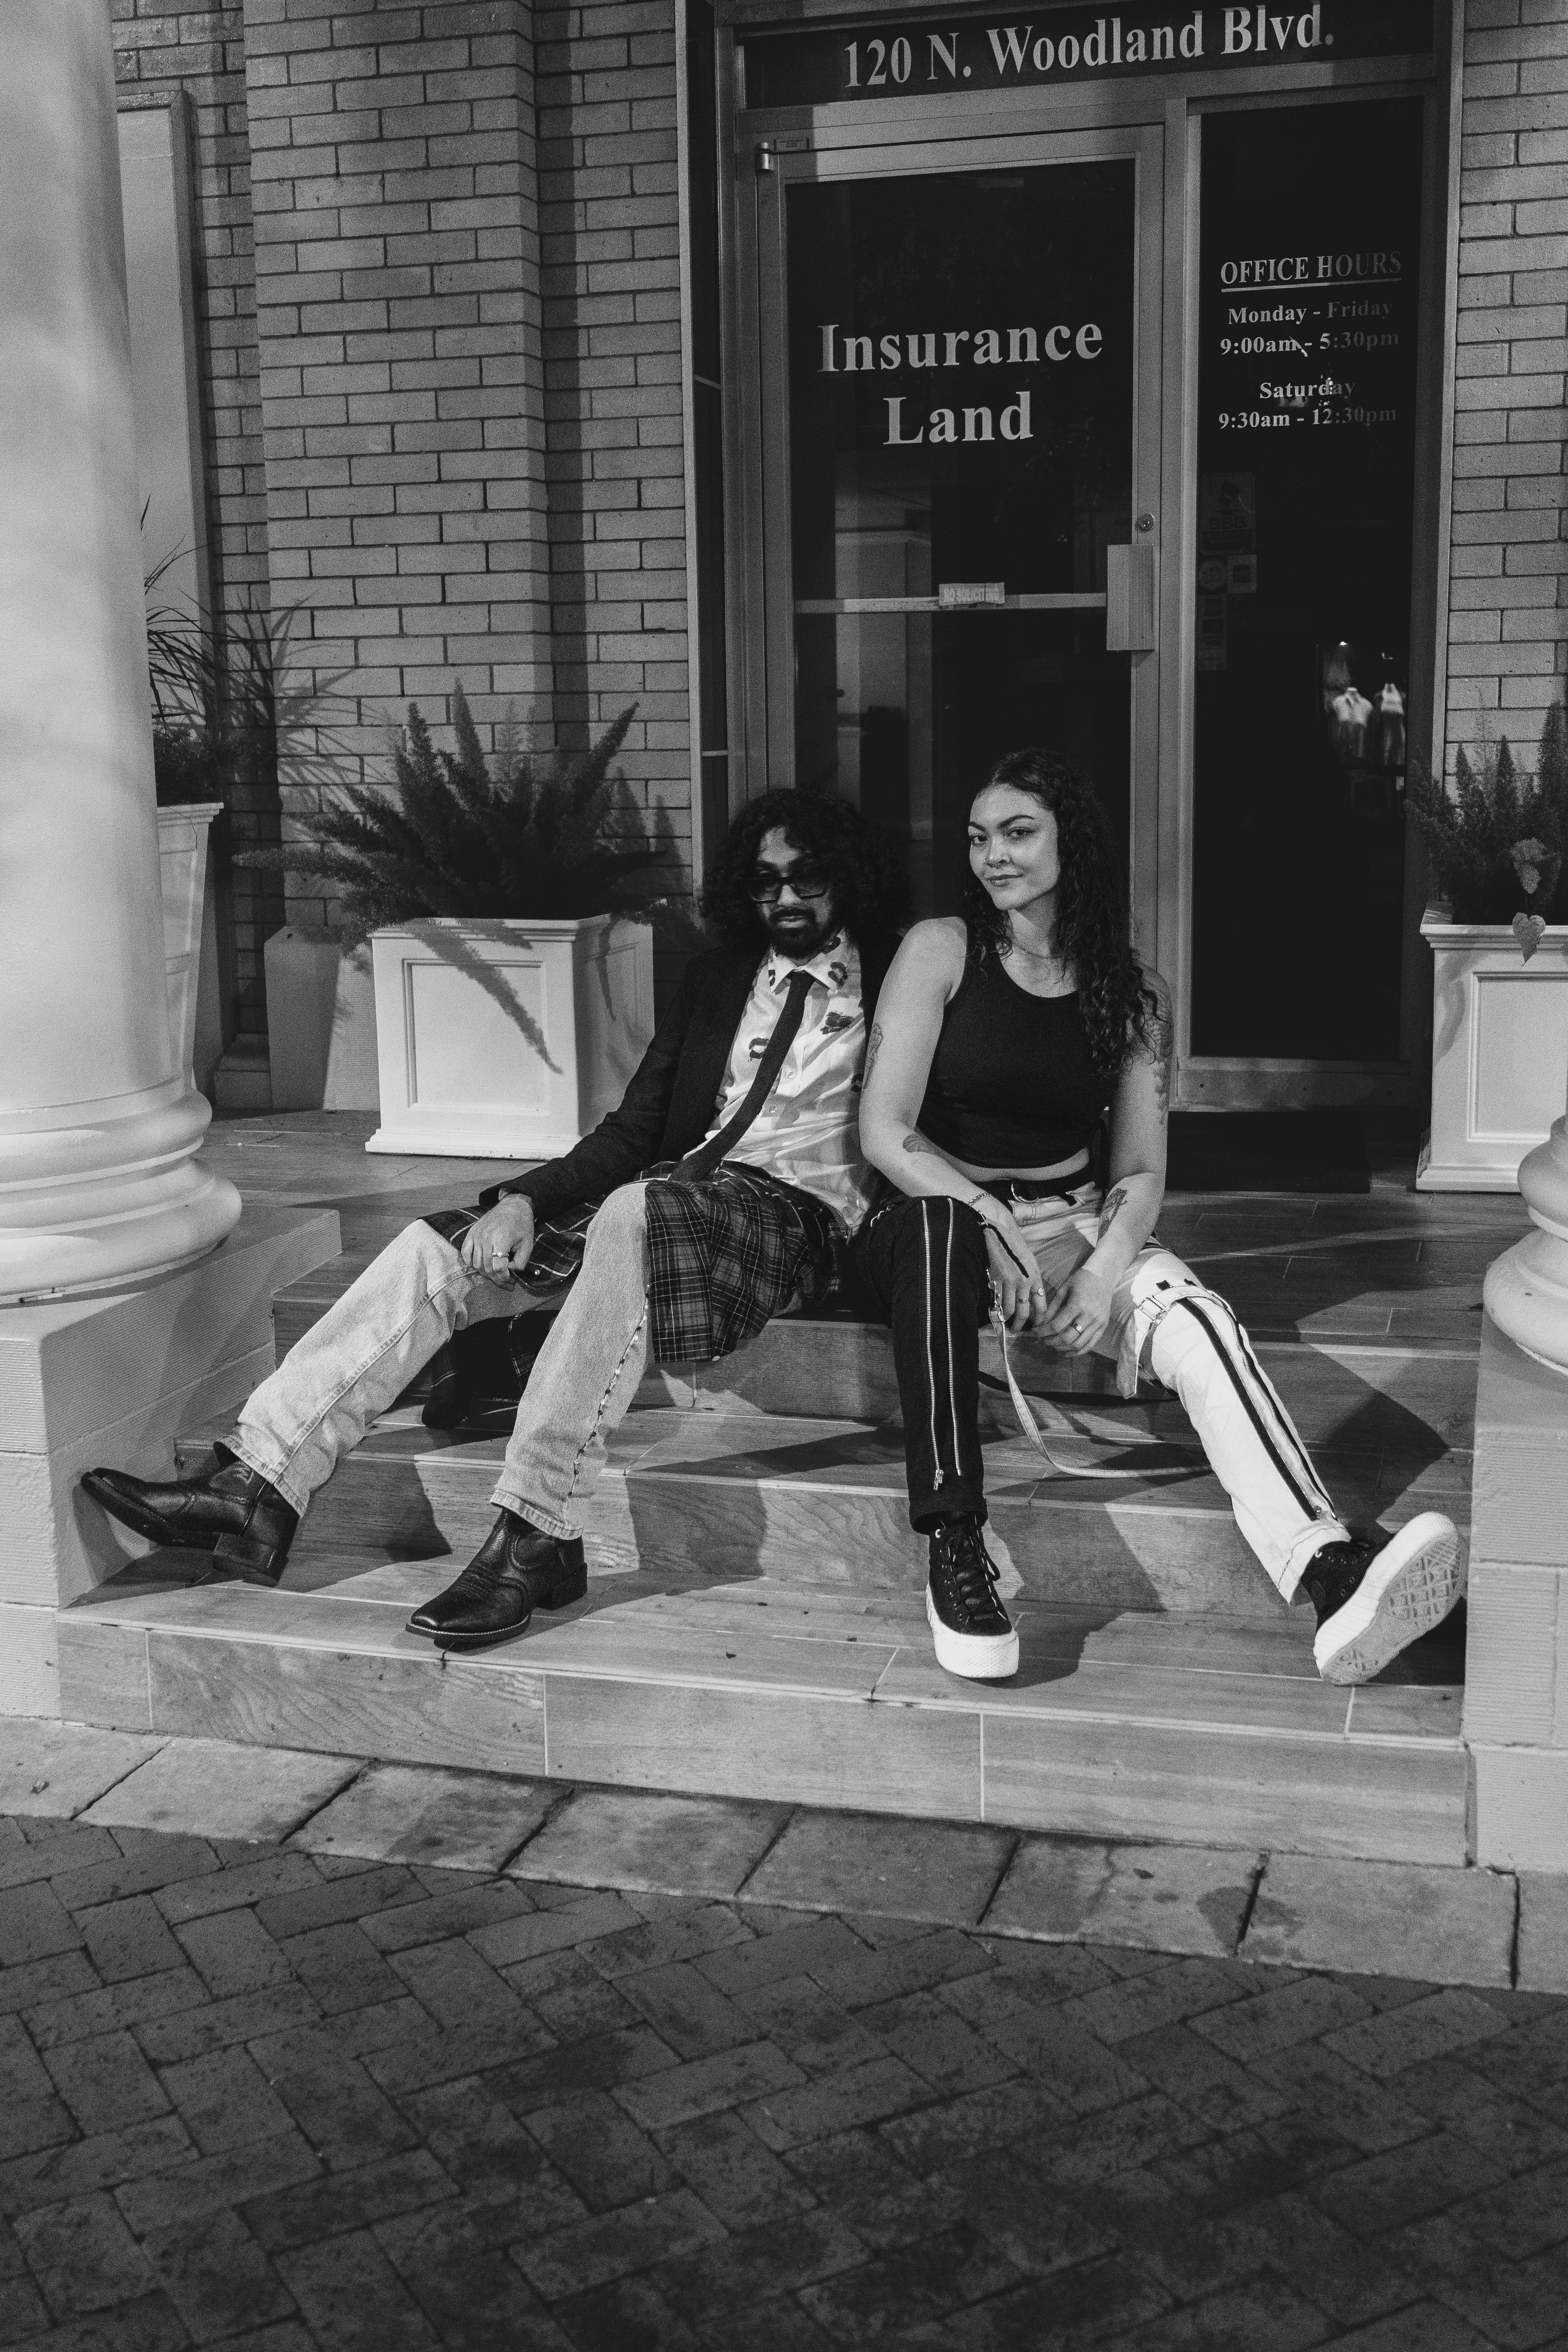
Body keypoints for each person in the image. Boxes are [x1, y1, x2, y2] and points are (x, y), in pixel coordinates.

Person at [83, 789, 908, 1650]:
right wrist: (521, 1198)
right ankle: (258, 1482)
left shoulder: (895, 975)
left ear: (846, 877)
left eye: (806, 879)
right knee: (435, 1248)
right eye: (765, 882)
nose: (784, 899)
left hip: (790, 1215)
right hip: (674, 1194)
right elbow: (635, 1129)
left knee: (634, 1212)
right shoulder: (721, 978)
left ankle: (535, 1532)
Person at [853, 747, 1462, 1686]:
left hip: (1069, 1223)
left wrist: (1100, 1274)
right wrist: (987, 1219)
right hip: (939, 1220)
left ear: (1071, 844)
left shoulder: (1130, 992)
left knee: (1198, 1319)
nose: (993, 857)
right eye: (980, 838)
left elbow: (1138, 1169)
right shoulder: (941, 948)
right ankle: (956, 1554)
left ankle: (1330, 1572)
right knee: (946, 1235)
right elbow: (885, 1133)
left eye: (1019, 833)